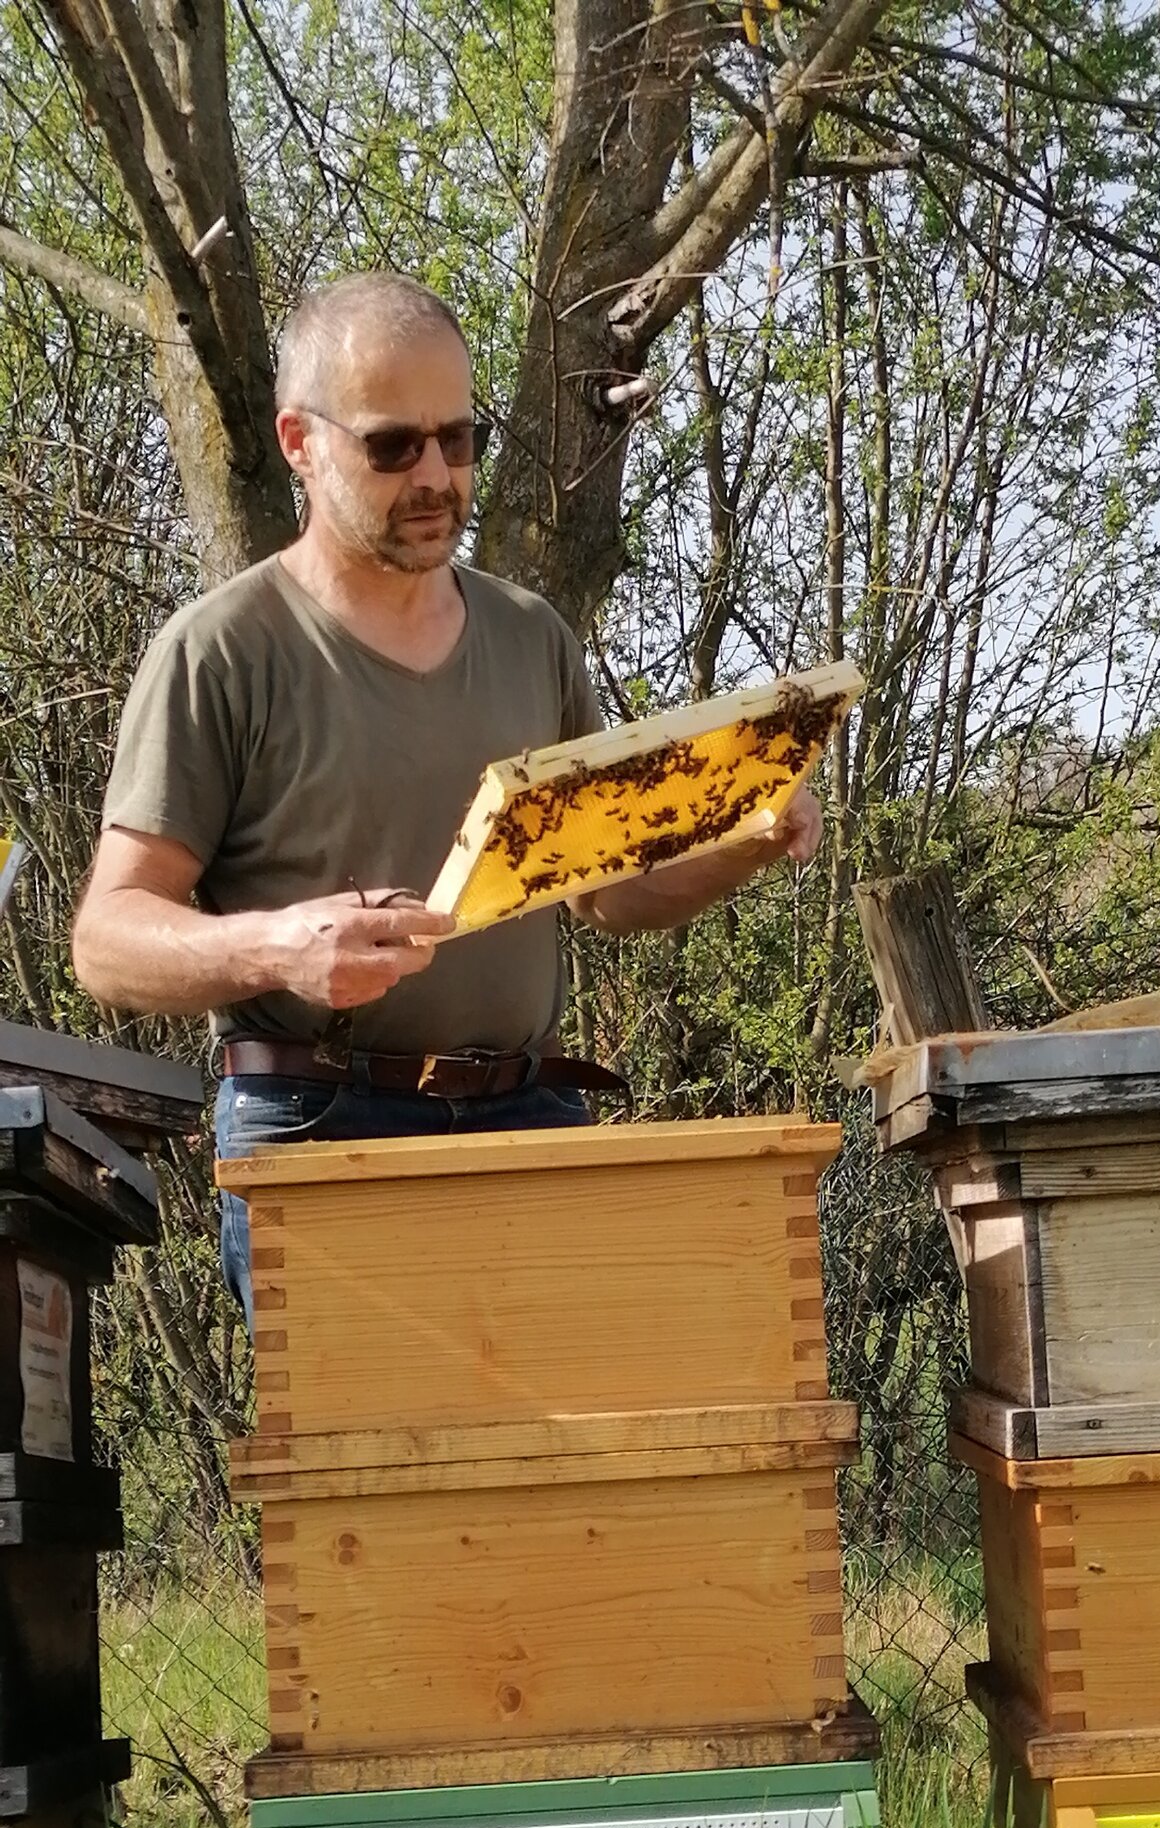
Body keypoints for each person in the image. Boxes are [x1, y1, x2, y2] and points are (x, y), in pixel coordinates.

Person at [72, 273, 822, 1325]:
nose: (435, 475)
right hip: (316, 1123)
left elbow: (607, 893)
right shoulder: (220, 652)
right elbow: (106, 940)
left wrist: (746, 838)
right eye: (392, 446)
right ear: (300, 441)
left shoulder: (532, 638)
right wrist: (280, 947)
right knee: (365, 1486)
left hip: (531, 1116)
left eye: (459, 440)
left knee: (567, 1489)